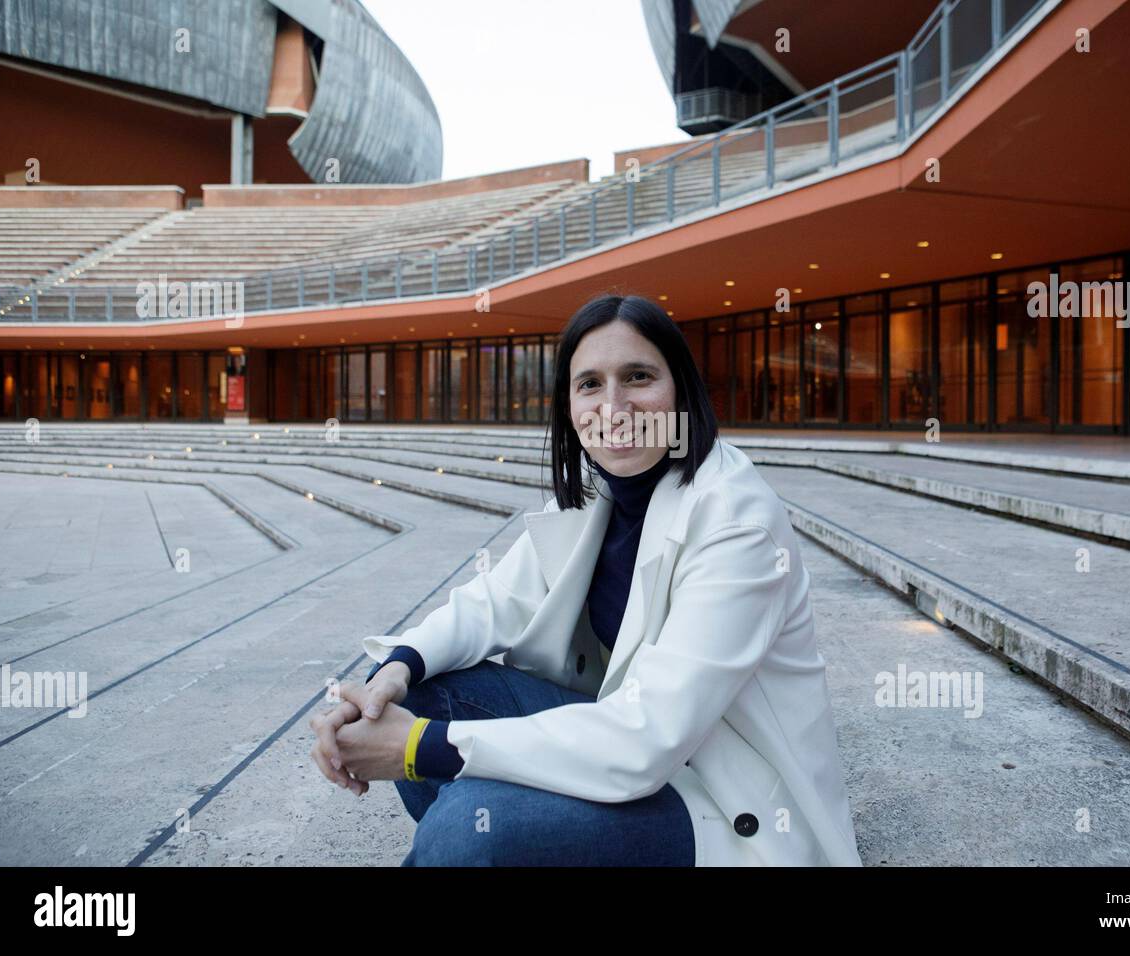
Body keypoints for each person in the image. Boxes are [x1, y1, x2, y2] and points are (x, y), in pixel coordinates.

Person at [309, 292, 862, 866]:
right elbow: (490, 602)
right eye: (590, 384)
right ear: (568, 404)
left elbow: (649, 736)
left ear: (681, 391)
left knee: (468, 826)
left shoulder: (737, 523)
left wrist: (421, 747)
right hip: (618, 747)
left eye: (638, 377)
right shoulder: (595, 495)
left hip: (720, 796)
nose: (613, 405)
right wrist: (391, 675)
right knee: (422, 694)